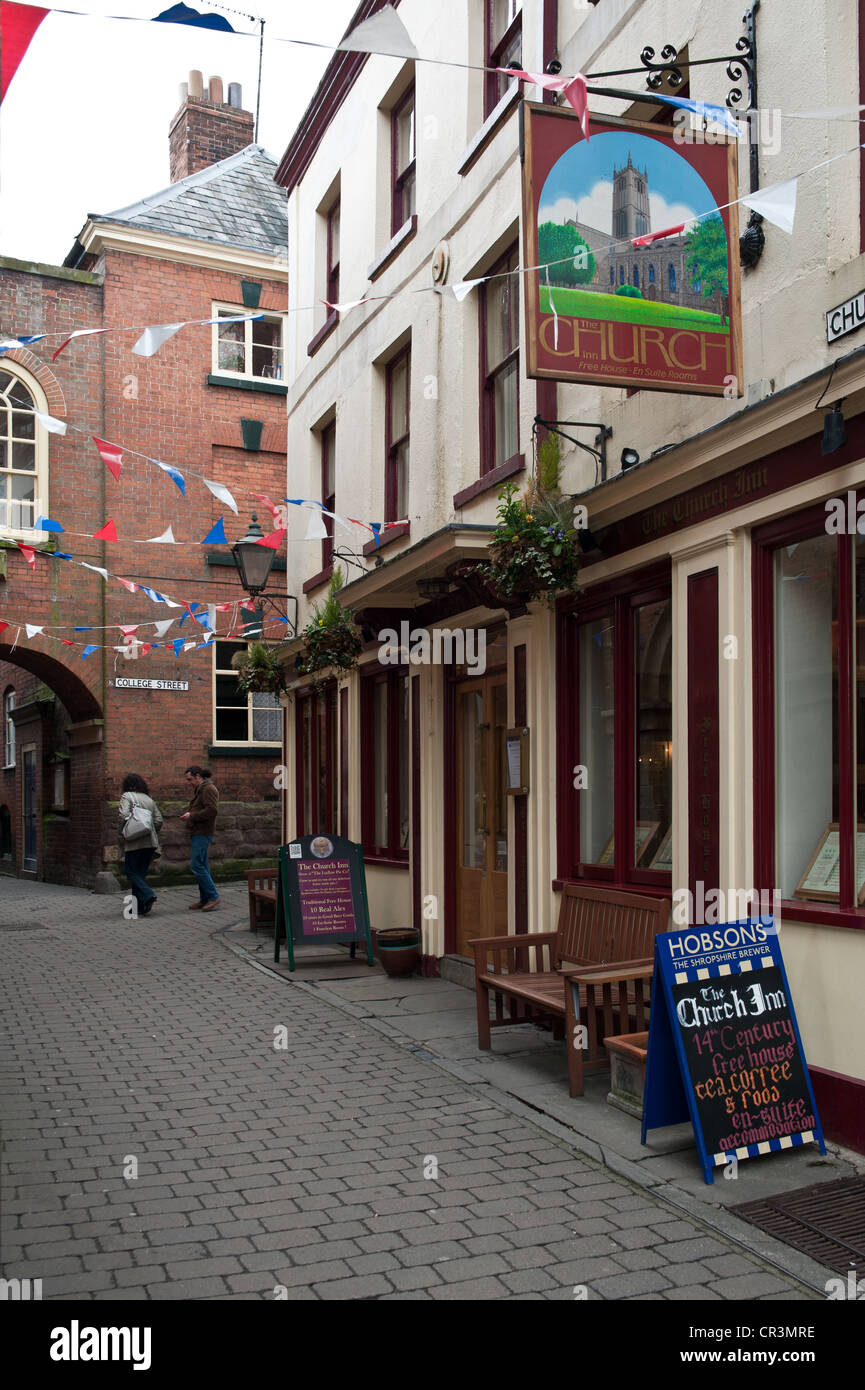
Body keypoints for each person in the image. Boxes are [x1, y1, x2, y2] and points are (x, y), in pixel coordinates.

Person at [119, 773, 163, 917]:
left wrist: (128, 830)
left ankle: (148, 894)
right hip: (149, 842)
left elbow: (123, 815)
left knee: (130, 872)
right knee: (140, 874)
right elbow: (158, 820)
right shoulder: (149, 799)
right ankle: (139, 907)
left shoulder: (127, 796)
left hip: (134, 842)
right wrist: (148, 830)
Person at [181, 765, 220, 911]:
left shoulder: (208, 789)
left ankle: (213, 896)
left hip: (203, 832)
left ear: (198, 776)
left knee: (196, 864)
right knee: (202, 866)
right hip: (199, 831)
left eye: (190, 779)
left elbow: (212, 811)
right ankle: (205, 899)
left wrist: (192, 816)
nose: (189, 783)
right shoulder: (202, 788)